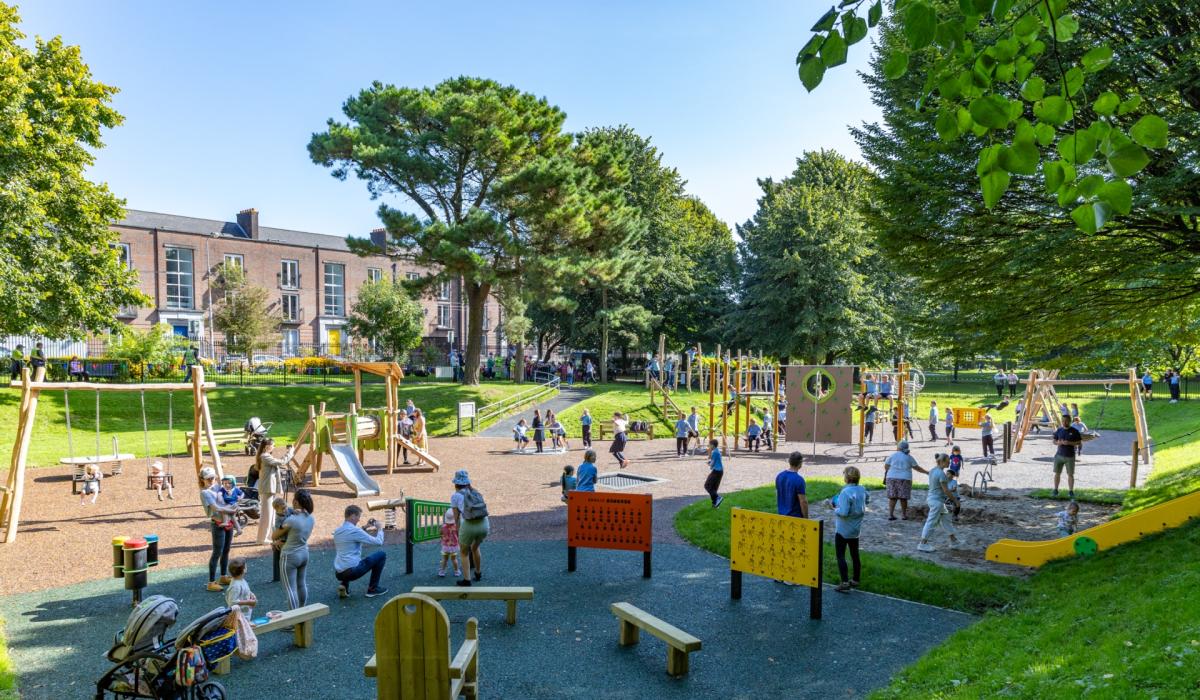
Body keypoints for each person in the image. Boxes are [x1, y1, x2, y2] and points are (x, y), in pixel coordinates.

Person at [332, 504, 388, 598]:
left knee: (346, 558)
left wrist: (366, 527)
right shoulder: (355, 531)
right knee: (381, 555)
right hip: (352, 572)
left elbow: (351, 534)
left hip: (339, 573)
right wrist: (379, 528)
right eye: (358, 516)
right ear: (353, 516)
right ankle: (373, 589)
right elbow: (379, 542)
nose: (359, 519)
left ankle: (344, 585)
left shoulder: (337, 531)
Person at [827, 466, 869, 593]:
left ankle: (845, 582)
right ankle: (856, 579)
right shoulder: (862, 489)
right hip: (856, 528)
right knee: (855, 554)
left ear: (847, 477)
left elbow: (844, 512)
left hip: (843, 529)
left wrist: (833, 508)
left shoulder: (845, 492)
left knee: (840, 555)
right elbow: (867, 499)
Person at [273, 489, 315, 610]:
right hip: (304, 553)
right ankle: (302, 613)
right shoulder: (311, 518)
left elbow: (274, 536)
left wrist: (279, 541)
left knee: (290, 589)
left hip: (290, 555)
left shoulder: (291, 520)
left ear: (296, 502)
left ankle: (293, 622)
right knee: (301, 584)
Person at [200, 467, 237, 592]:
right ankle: (211, 582)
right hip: (217, 524)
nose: (212, 480)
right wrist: (230, 510)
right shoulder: (205, 492)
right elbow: (215, 508)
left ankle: (223, 576)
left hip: (227, 521)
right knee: (217, 552)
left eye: (213, 477)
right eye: (208, 478)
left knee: (226, 550)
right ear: (203, 480)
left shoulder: (218, 487)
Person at [450, 470, 489, 587]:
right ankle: (478, 573)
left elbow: (456, 517)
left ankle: (467, 580)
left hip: (468, 525)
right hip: (484, 524)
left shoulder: (455, 496)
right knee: (475, 547)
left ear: (456, 484)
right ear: (468, 483)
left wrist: (457, 531)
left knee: (463, 552)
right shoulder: (475, 492)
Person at [917, 453, 960, 553]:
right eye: (948, 461)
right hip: (937, 502)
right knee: (931, 522)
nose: (949, 463)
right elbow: (945, 490)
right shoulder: (941, 474)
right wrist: (955, 500)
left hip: (934, 500)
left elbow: (941, 488)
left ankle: (954, 541)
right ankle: (922, 544)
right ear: (942, 461)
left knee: (946, 519)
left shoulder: (933, 470)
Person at [883, 440, 927, 521]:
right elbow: (917, 468)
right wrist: (927, 472)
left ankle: (891, 514)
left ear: (898, 447)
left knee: (893, 497)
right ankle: (904, 515)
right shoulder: (909, 457)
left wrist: (892, 471)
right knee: (903, 498)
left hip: (891, 478)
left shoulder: (892, 455)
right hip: (905, 478)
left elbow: (886, 466)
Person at [1051, 414, 1082, 498]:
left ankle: (1071, 491)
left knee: (1070, 475)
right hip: (1059, 455)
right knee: (1057, 473)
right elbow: (1054, 441)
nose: (1064, 422)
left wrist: (1069, 443)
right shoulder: (1059, 430)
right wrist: (1058, 443)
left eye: (1066, 421)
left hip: (1070, 456)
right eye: (1063, 420)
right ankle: (1055, 490)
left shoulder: (1075, 431)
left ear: (1070, 421)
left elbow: (1079, 442)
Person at [775, 451, 808, 518]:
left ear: (790, 462)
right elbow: (803, 501)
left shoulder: (779, 476)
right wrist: (806, 518)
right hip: (795, 517)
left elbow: (778, 494)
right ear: (800, 463)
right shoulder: (799, 480)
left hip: (781, 515)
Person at [438, 508, 462, 578]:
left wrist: (442, 537)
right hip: (454, 546)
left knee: (444, 559)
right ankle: (456, 571)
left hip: (445, 546)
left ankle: (442, 571)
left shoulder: (443, 526)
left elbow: (440, 534)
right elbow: (458, 534)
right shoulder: (456, 526)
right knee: (454, 559)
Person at [704, 438, 724, 508]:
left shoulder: (714, 452)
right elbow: (715, 461)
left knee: (707, 486)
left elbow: (712, 464)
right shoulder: (716, 451)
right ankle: (715, 504)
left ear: (712, 445)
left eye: (709, 445)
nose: (708, 446)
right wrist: (710, 461)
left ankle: (718, 498)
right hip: (719, 471)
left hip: (716, 471)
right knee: (713, 488)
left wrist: (708, 463)